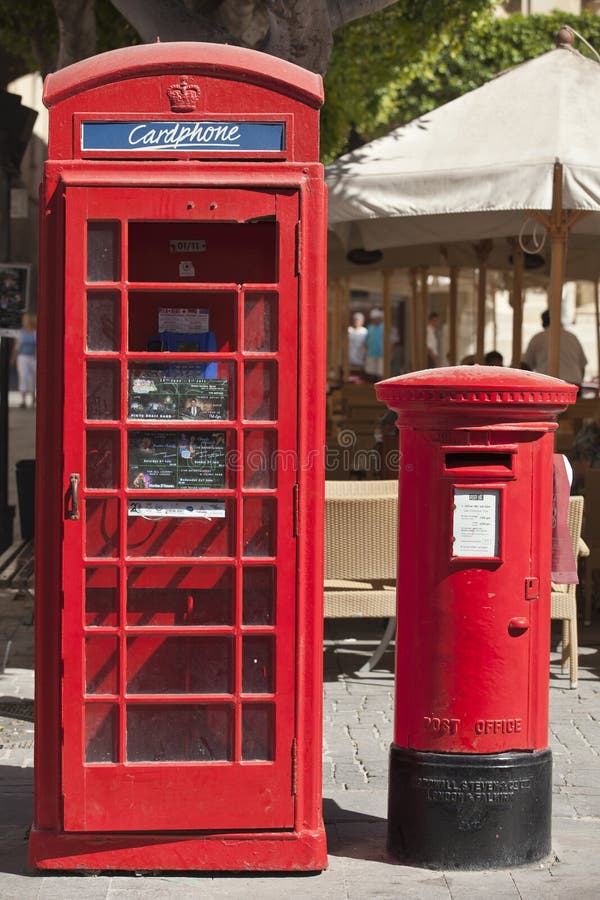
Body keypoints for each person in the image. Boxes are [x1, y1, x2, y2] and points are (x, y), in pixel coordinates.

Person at [522, 309, 587, 387]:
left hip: (547, 384)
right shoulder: (572, 337)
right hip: (574, 383)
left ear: (543, 323)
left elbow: (526, 365)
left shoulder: (538, 338)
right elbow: (582, 366)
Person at [10, 312, 36, 408]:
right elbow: (16, 347)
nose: (26, 322)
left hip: (33, 357)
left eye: (27, 319)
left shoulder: (35, 332)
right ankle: (23, 400)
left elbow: (38, 346)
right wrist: (13, 358)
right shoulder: (20, 332)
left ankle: (33, 397)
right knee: (23, 377)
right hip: (22, 357)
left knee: (34, 378)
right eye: (25, 320)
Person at [364, 308, 384, 379]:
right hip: (371, 352)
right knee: (371, 371)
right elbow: (366, 340)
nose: (375, 320)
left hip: (382, 352)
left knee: (380, 371)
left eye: (376, 318)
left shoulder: (384, 327)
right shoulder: (370, 327)